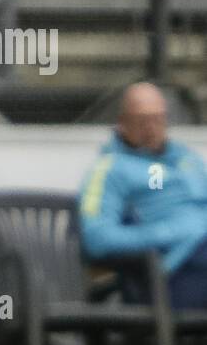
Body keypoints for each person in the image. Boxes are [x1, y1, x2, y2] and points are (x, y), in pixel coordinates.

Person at [78, 83, 207, 309]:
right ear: (123, 122)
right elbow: (97, 239)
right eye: (142, 121)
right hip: (171, 273)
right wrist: (167, 232)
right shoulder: (109, 169)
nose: (151, 128)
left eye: (157, 119)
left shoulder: (187, 159)